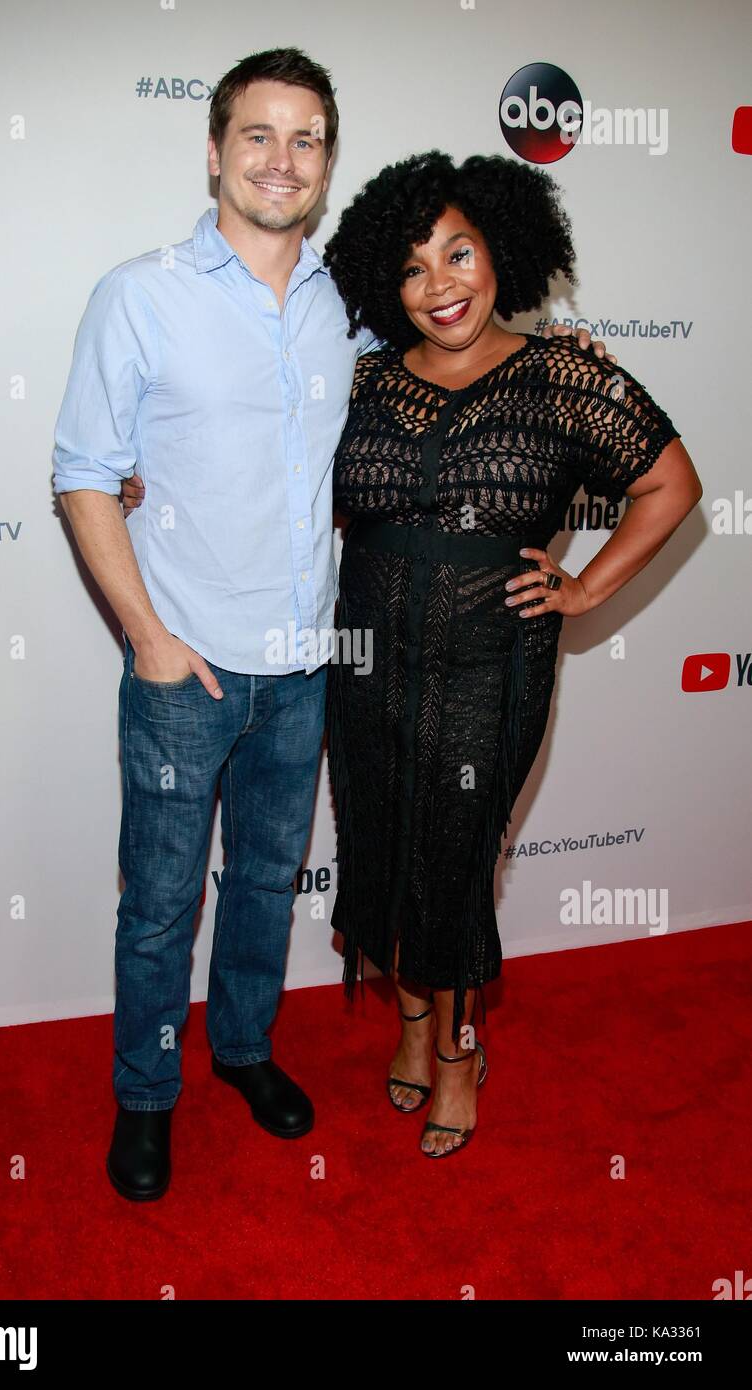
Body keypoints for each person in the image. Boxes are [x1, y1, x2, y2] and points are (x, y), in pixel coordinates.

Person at [63, 46, 607, 1202]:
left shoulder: (347, 314)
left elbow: (453, 362)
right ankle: (145, 1096)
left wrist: (558, 359)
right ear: (213, 152)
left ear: (324, 163)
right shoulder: (138, 294)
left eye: (304, 137)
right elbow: (81, 476)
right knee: (161, 905)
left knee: (266, 882)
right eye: (256, 134)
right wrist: (149, 638)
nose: (280, 157)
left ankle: (246, 1053)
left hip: (310, 665)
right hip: (182, 666)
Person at [319, 150, 702, 1157]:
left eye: (456, 253)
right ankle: (407, 1021)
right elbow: (265, 481)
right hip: (365, 659)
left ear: (501, 252)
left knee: (451, 858)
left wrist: (583, 588)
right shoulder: (354, 380)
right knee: (379, 844)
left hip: (492, 663)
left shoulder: (563, 372)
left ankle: (454, 1052)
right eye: (409, 268)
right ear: (381, 283)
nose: (436, 284)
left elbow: (668, 486)